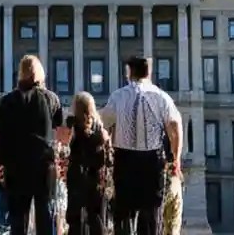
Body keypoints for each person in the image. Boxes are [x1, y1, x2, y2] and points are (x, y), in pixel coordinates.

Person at [100, 56, 182, 235]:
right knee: (151, 216)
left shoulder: (119, 96)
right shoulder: (161, 96)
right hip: (151, 160)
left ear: (129, 72)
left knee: (123, 214)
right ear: (149, 72)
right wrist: (176, 158)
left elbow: (102, 124)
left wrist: (106, 149)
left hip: (125, 159)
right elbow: (175, 126)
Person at [0, 55, 63, 235]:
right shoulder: (50, 98)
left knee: (18, 216)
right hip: (43, 164)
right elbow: (58, 125)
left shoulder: (8, 101)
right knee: (45, 212)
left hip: (16, 164)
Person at [65, 93, 112, 235]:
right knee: (96, 217)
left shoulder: (72, 127)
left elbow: (65, 149)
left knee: (75, 220)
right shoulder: (100, 132)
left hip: (76, 177)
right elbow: (108, 158)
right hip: (96, 179)